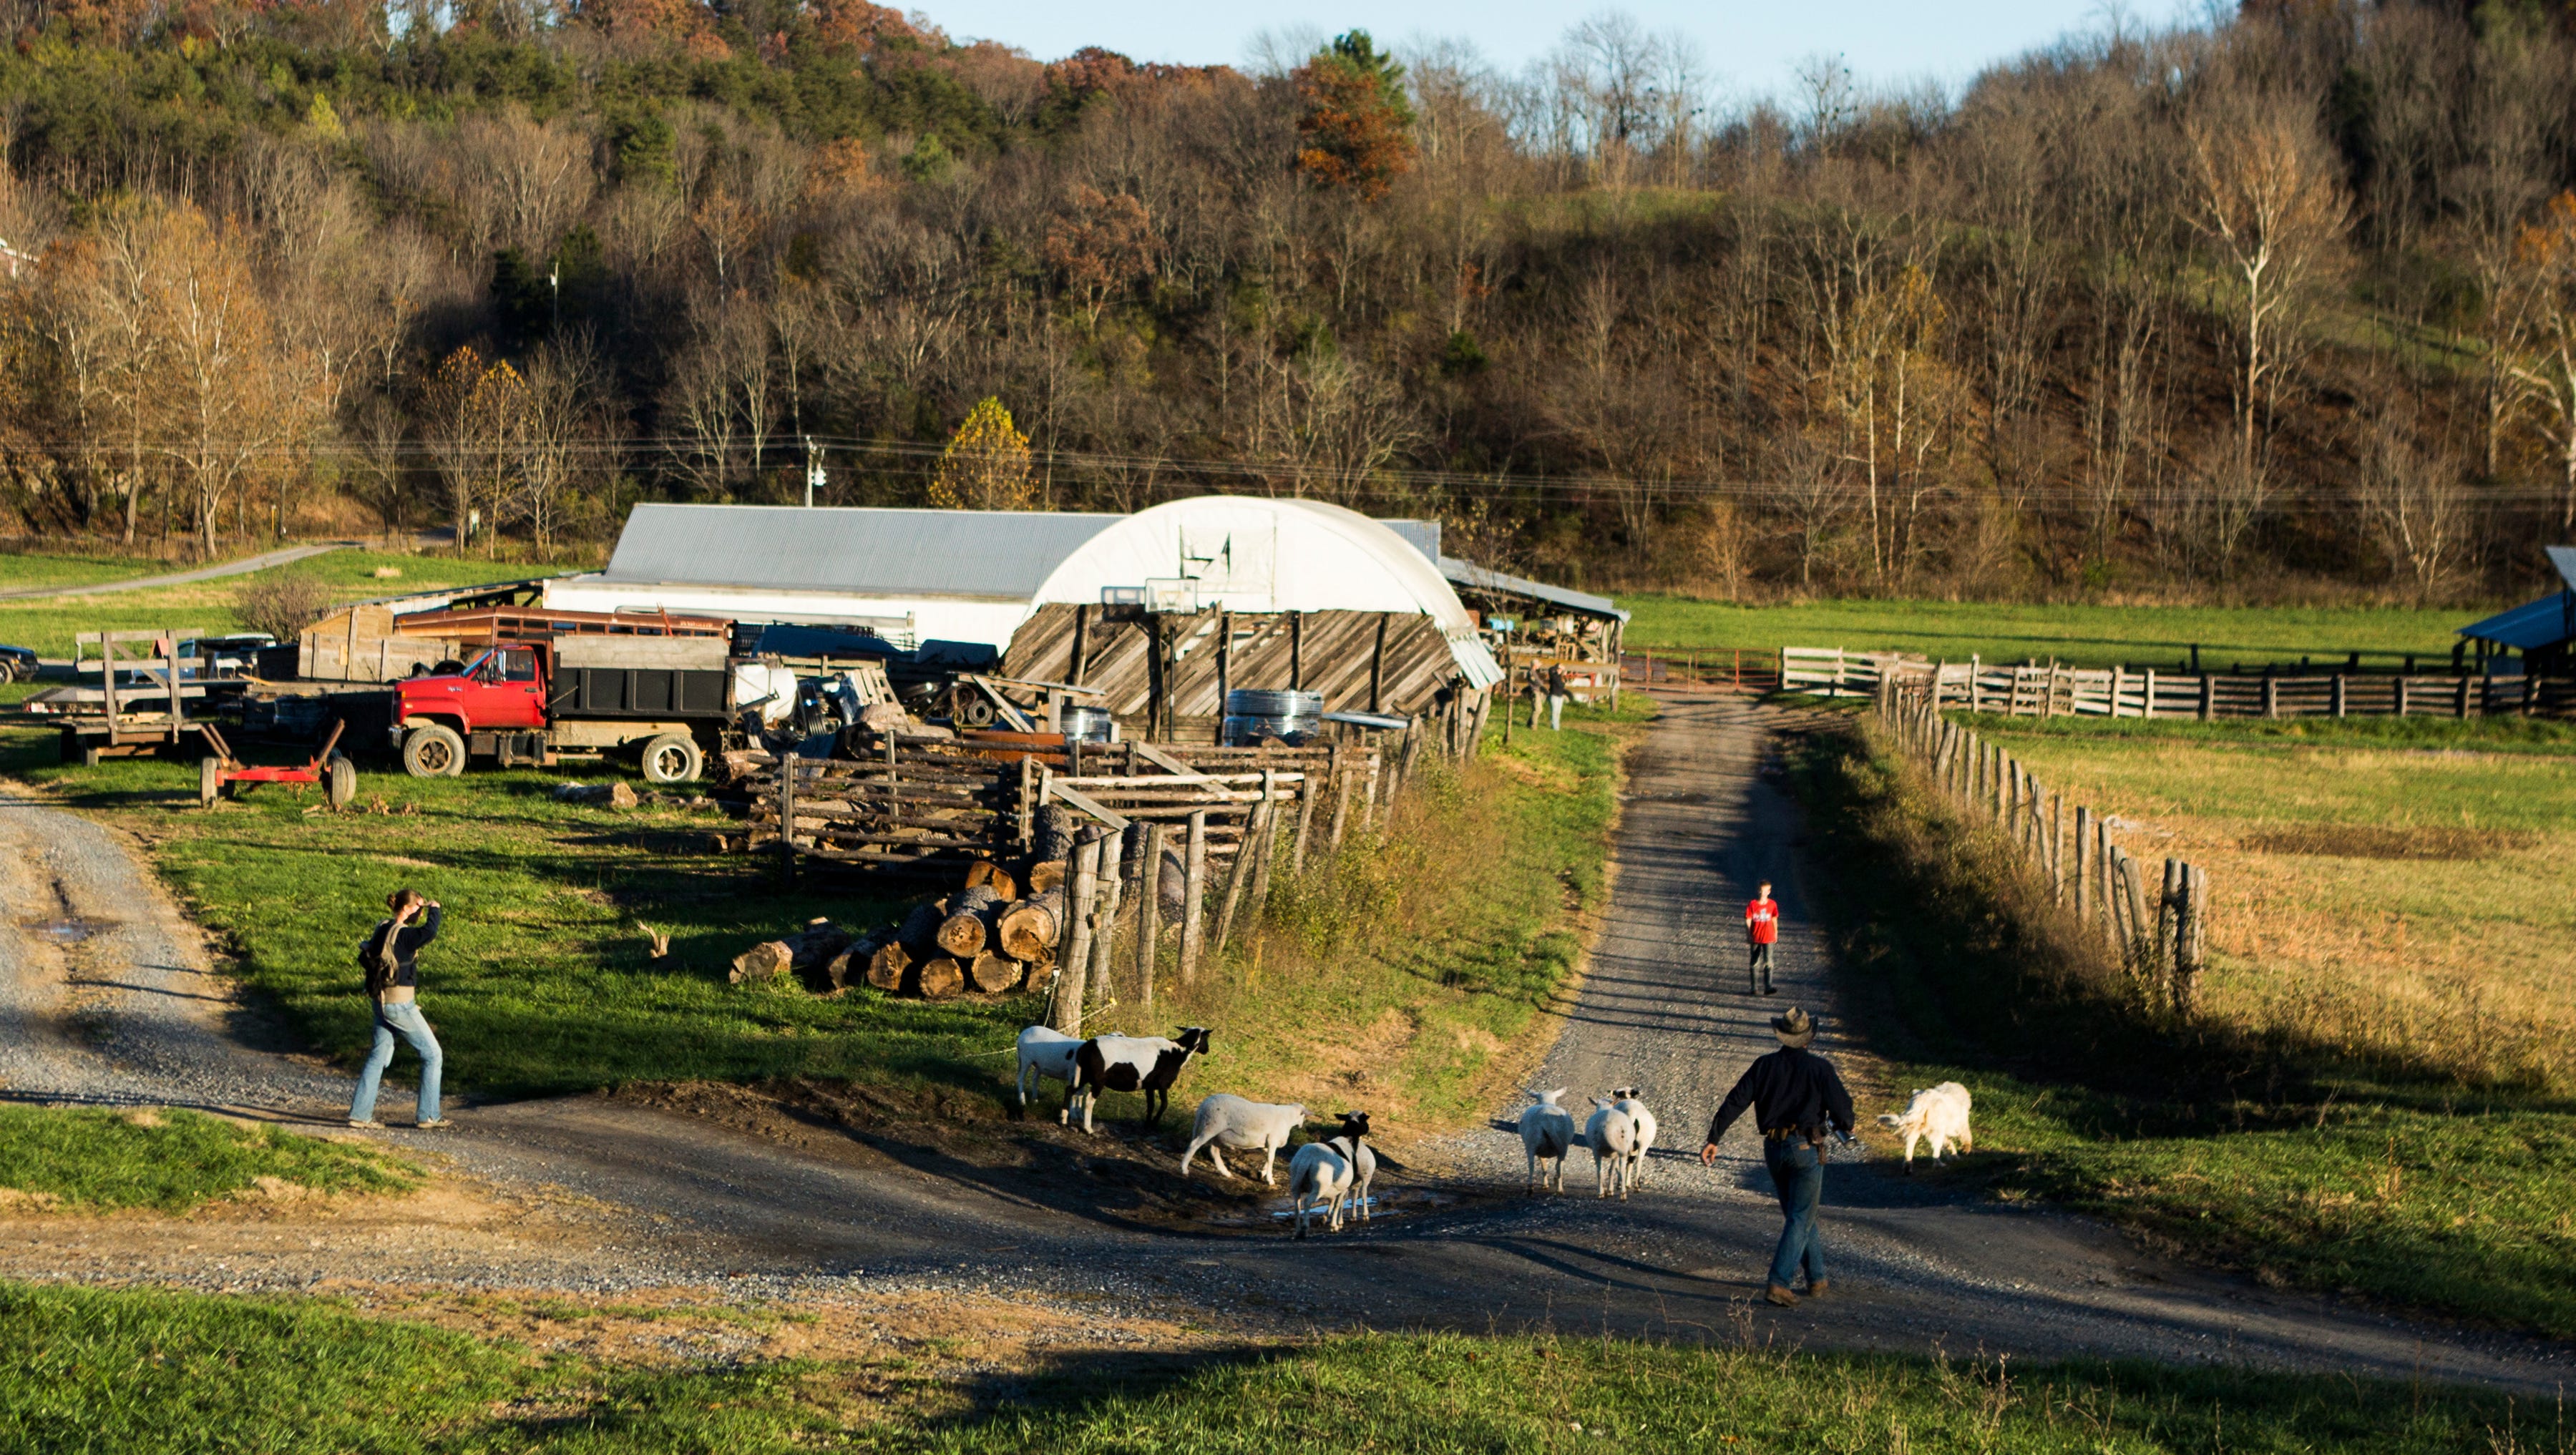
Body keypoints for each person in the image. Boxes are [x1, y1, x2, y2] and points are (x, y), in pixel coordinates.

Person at [1699, 1006, 1855, 1307]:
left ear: (1782, 1035)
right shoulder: (1821, 1069)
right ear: (1809, 1037)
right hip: (1806, 1149)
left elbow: (1735, 1101)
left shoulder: (1764, 1065)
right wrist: (1845, 1122)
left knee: (1799, 1215)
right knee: (1801, 1216)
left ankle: (1817, 1278)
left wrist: (1714, 1138)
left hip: (1773, 1149)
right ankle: (1779, 1282)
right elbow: (1844, 1113)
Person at [350, 888, 447, 1130]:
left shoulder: (383, 927)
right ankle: (428, 1115)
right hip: (400, 1005)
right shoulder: (404, 935)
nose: (420, 913)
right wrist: (435, 910)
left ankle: (360, 1115)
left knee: (378, 1057)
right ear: (406, 908)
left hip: (380, 1002)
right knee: (433, 1055)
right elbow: (429, 932)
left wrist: (425, 909)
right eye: (419, 908)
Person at [1744, 881, 1781, 996]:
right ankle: (1754, 988)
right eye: (1761, 890)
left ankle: (1768, 986)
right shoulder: (1752, 904)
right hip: (1756, 937)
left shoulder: (1772, 904)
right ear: (1758, 890)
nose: (1763, 893)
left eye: (1765, 891)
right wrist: (1749, 934)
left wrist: (1776, 932)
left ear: (1769, 892)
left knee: (1768, 961)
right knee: (1754, 962)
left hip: (1768, 936)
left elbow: (1774, 919)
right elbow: (1748, 919)